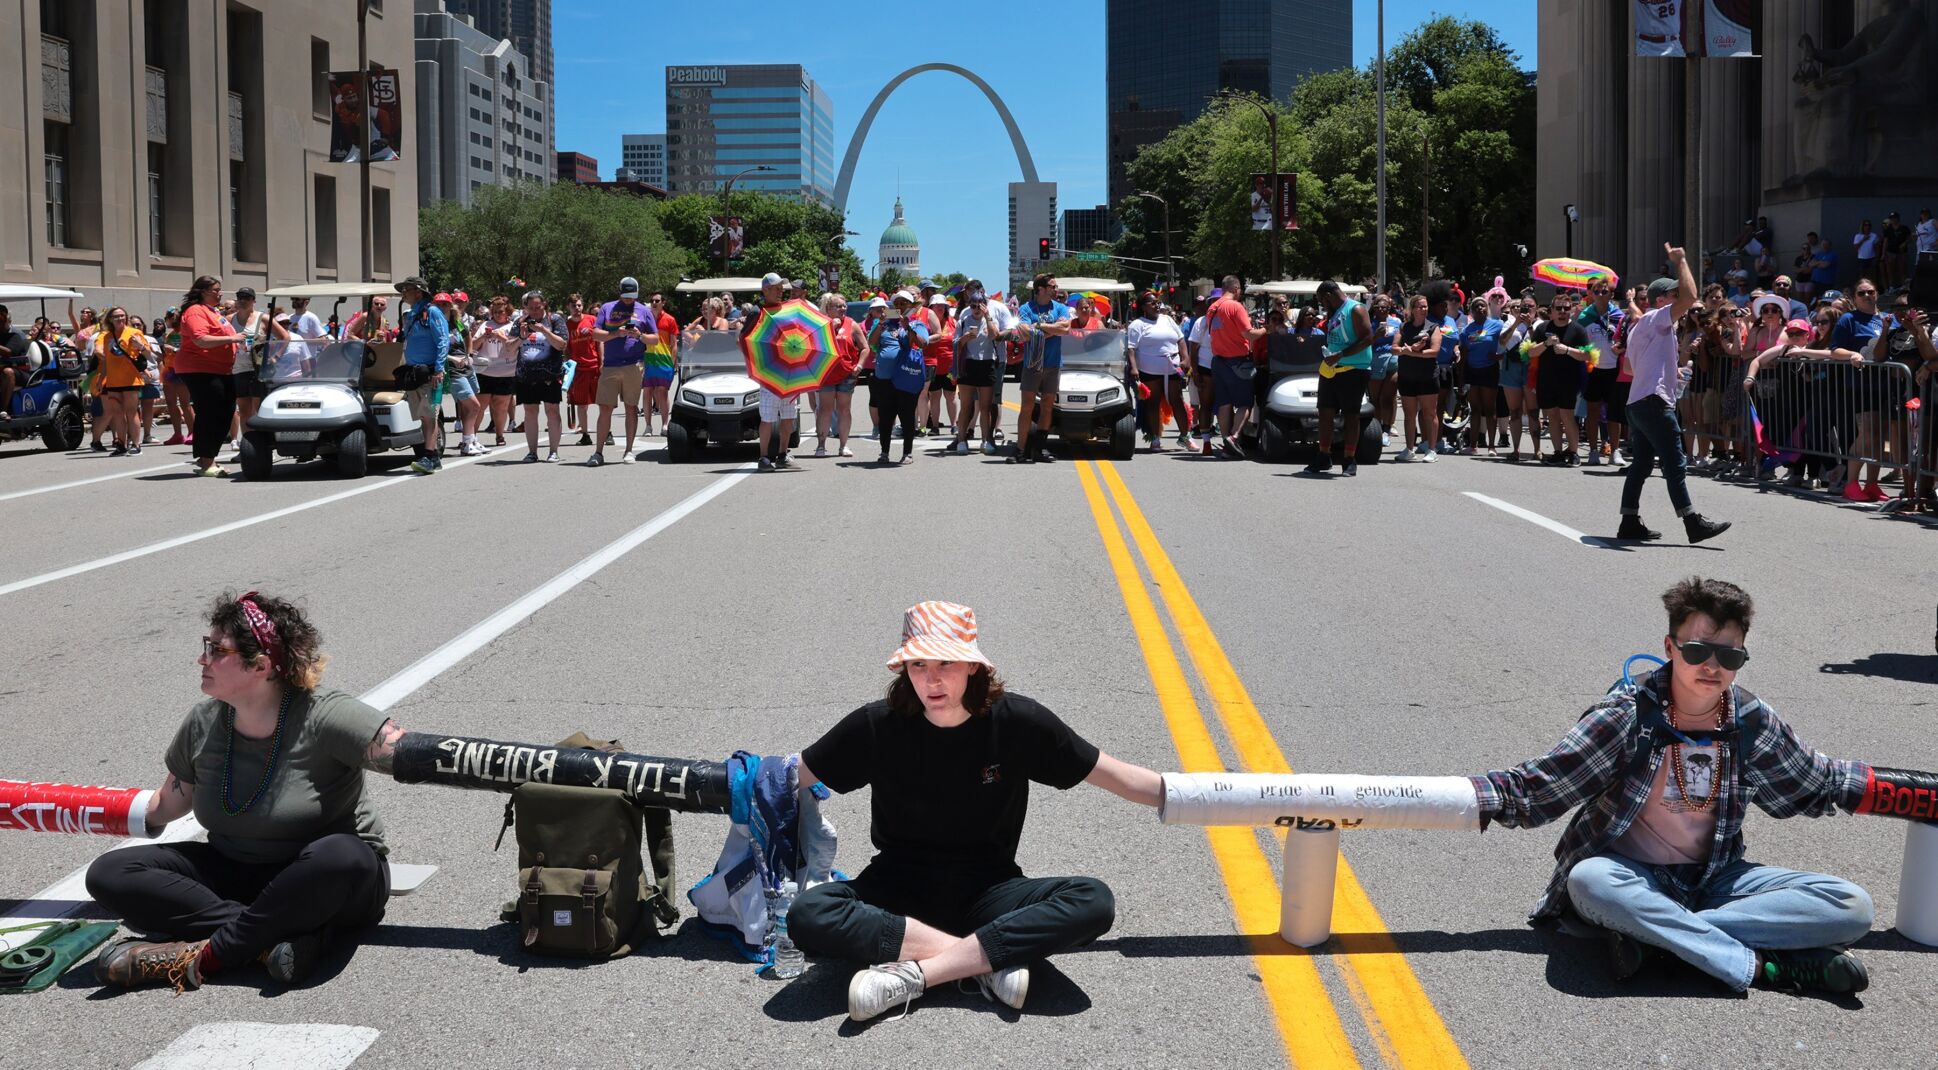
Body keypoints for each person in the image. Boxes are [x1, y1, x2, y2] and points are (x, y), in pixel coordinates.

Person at [1471, 578, 1874, 996]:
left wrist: (1909, 795)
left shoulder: (1751, 721)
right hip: (1631, 877)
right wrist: (1451, 799)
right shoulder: (1629, 713)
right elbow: (1539, 787)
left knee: (1851, 905)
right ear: (1670, 647)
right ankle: (1763, 966)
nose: (1712, 667)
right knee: (1589, 881)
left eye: (1729, 655)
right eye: (1697, 651)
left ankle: (1657, 941)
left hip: (1715, 880)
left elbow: (1816, 782)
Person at [789, 600, 1162, 1022]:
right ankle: (983, 961)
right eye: (918, 664)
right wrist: (732, 783)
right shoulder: (876, 726)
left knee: (1093, 902)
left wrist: (1207, 796)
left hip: (991, 889)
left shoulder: (1018, 722)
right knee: (808, 914)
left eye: (946, 663)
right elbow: (784, 777)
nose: (931, 679)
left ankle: (917, 974)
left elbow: (1118, 776)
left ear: (971, 665)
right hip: (897, 887)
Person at [86, 591, 403, 992]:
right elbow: (166, 804)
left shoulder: (326, 714)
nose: (202, 659)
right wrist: (67, 808)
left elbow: (408, 753)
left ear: (261, 665)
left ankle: (209, 954)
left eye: (216, 650)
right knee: (110, 873)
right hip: (238, 870)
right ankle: (272, 940)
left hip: (325, 878)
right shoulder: (203, 722)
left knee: (343, 854)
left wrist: (473, 761)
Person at [1616, 245, 1732, 544]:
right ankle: (1693, 522)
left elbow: (1629, 367)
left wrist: (1670, 372)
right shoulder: (1656, 318)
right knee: (1675, 462)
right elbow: (1692, 297)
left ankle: (1629, 521)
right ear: (1660, 300)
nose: (1679, 299)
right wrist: (1681, 260)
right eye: (1673, 294)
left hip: (1638, 403)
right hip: (1653, 403)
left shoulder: (1640, 327)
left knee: (1642, 465)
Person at [175, 276, 248, 477]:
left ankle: (205, 456)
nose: (220, 293)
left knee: (225, 411)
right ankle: (207, 462)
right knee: (211, 413)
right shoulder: (195, 311)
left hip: (220, 369)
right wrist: (232, 338)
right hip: (199, 368)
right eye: (216, 290)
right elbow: (200, 339)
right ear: (203, 291)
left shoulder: (213, 311)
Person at [1307, 281, 1373, 476]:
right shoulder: (1334, 312)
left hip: (1354, 369)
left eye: (1322, 301)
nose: (1322, 305)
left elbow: (1367, 338)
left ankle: (1349, 459)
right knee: (1325, 412)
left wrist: (1341, 355)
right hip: (1331, 368)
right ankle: (1323, 456)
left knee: (1351, 415)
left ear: (1329, 295)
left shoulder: (1356, 309)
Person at [589, 276, 655, 467]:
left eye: (632, 296)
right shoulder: (607, 308)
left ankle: (629, 451)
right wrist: (616, 333)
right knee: (605, 408)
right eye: (626, 295)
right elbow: (596, 334)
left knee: (631, 407)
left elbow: (655, 339)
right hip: (610, 365)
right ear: (619, 292)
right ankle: (598, 452)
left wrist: (640, 335)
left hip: (633, 364)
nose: (628, 299)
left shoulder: (644, 310)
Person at [1012, 274, 1073, 465]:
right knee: (1027, 406)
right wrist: (1052, 329)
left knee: (1047, 405)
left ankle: (1039, 448)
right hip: (1032, 364)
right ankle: (1020, 450)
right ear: (1040, 289)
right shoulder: (1026, 308)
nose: (1056, 289)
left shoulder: (1060, 307)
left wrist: (1038, 326)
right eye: (1052, 286)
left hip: (1053, 364)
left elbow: (1066, 329)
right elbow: (1024, 333)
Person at [745, 273, 799, 472]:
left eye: (781, 289)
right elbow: (743, 340)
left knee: (788, 415)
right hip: (769, 374)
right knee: (767, 417)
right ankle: (764, 457)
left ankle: (783, 455)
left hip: (789, 371)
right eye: (776, 288)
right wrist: (756, 365)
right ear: (765, 290)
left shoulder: (787, 309)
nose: (780, 292)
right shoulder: (756, 312)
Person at [1206, 277, 1265, 459]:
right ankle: (1233, 437)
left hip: (1218, 361)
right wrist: (1266, 329)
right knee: (1245, 403)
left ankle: (1226, 444)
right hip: (1237, 361)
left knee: (1224, 403)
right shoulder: (1235, 306)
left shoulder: (1212, 308)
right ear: (1235, 288)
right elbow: (1249, 334)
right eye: (1240, 289)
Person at [394, 277, 449, 475]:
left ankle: (429, 456)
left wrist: (439, 369)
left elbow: (443, 341)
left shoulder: (432, 312)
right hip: (414, 372)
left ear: (419, 292)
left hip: (430, 372)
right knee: (424, 417)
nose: (403, 293)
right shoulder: (412, 314)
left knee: (429, 415)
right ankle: (432, 457)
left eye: (407, 289)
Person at [870, 290, 929, 466]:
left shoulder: (917, 324)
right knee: (885, 417)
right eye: (897, 303)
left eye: (904, 303)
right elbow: (872, 342)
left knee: (907, 417)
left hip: (906, 379)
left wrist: (907, 327)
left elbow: (922, 343)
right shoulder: (884, 324)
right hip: (884, 378)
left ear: (910, 306)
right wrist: (880, 324)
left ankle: (907, 453)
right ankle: (884, 452)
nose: (900, 306)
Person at [1531, 294, 1589, 466]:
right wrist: (1546, 344)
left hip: (1569, 380)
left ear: (1570, 309)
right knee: (1553, 416)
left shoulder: (1578, 330)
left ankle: (1573, 452)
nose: (1562, 311)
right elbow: (1530, 352)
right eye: (1559, 308)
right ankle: (1557, 452)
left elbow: (1587, 355)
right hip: (1546, 379)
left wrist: (1567, 350)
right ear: (1552, 310)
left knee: (1567, 415)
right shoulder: (1542, 328)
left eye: (1566, 308)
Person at [1125, 290, 1187, 452]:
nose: (1157, 305)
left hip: (1172, 368)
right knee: (1152, 404)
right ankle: (1155, 439)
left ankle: (1185, 436)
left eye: (1158, 302)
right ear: (1143, 307)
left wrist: (1185, 358)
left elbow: (1180, 339)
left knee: (1177, 400)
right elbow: (1131, 349)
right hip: (1149, 370)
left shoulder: (1167, 319)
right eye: (1153, 303)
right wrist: (1134, 368)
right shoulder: (1137, 325)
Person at [512, 291, 568, 463]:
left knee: (552, 411)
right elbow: (508, 347)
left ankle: (553, 451)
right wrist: (521, 337)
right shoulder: (520, 322)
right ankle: (532, 452)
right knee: (530, 412)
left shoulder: (554, 320)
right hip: (526, 375)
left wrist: (544, 330)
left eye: (537, 307)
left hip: (550, 375)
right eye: (531, 308)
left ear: (544, 304)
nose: (534, 311)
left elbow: (562, 344)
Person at [91, 308, 151, 457]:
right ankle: (121, 445)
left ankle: (136, 445)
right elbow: (106, 361)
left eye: (122, 316)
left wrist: (140, 345)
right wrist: (101, 379)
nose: (120, 319)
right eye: (116, 316)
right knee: (117, 414)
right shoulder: (106, 336)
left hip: (131, 379)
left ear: (126, 317)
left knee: (131, 412)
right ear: (110, 319)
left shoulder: (134, 332)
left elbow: (148, 354)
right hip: (113, 381)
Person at [814, 293, 867, 458]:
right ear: (828, 308)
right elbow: (813, 344)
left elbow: (865, 348)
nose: (842, 309)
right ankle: (821, 446)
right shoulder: (820, 323)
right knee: (825, 409)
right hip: (826, 373)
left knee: (844, 409)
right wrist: (830, 327)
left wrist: (860, 365)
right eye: (838, 306)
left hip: (847, 373)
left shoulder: (852, 324)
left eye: (844, 306)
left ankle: (844, 445)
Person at [1392, 295, 1442, 462]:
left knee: (1430, 413)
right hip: (1407, 376)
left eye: (1425, 306)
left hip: (1427, 376)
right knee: (1409, 414)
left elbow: (1434, 351)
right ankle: (1409, 449)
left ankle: (1432, 450)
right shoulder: (1403, 327)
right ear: (1412, 309)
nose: (1424, 309)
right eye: (1420, 306)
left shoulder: (1433, 327)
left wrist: (1413, 352)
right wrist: (1405, 350)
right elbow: (1394, 348)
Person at [1454, 297, 1505, 457]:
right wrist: (1461, 380)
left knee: (1490, 409)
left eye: (1482, 305)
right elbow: (1463, 354)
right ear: (1471, 311)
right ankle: (1473, 446)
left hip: (1489, 370)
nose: (1480, 308)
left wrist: (1500, 356)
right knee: (1475, 409)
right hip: (1472, 371)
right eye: (1476, 307)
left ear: (1487, 308)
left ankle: (1491, 446)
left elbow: (1507, 343)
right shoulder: (1467, 330)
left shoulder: (1497, 325)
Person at [469, 296, 521, 451]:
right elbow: (473, 346)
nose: (498, 314)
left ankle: (500, 435)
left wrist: (500, 336)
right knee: (479, 406)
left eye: (501, 312)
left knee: (501, 407)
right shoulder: (485, 325)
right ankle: (471, 436)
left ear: (508, 312)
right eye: (495, 312)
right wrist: (483, 337)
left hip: (506, 372)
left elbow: (514, 347)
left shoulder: (513, 326)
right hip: (485, 371)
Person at [226, 288, 269, 461]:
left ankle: (263, 448)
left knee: (257, 410)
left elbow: (284, 337)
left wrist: (274, 357)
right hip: (238, 369)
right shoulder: (230, 319)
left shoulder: (263, 318)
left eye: (247, 298)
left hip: (257, 369)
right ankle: (247, 448)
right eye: (240, 297)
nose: (243, 300)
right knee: (244, 411)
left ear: (254, 300)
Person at [565, 294, 604, 446]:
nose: (577, 308)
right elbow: (566, 348)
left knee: (603, 402)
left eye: (579, 305)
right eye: (574, 306)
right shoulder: (567, 325)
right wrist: (568, 367)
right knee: (581, 404)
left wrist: (602, 361)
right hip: (579, 369)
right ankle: (585, 435)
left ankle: (607, 432)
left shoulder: (591, 320)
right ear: (568, 307)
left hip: (594, 366)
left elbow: (599, 342)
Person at [642, 292, 680, 437]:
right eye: (652, 300)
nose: (654, 303)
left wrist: (673, 362)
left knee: (662, 392)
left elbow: (674, 344)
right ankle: (648, 426)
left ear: (663, 302)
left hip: (664, 361)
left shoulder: (670, 319)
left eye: (657, 300)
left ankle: (665, 424)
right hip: (649, 360)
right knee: (647, 392)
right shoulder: (646, 319)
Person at [1365, 294, 1401, 445]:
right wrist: (1376, 335)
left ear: (1389, 307)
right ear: (1374, 308)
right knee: (1375, 399)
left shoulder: (1396, 322)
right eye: (1378, 306)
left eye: (1385, 306)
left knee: (1388, 397)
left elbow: (1400, 339)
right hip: (1375, 359)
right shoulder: (1368, 323)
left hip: (1392, 359)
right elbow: (1365, 343)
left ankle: (1387, 429)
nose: (1381, 309)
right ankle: (1376, 428)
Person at [921, 294, 957, 436]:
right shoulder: (926, 322)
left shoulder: (952, 321)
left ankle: (954, 425)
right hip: (932, 365)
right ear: (931, 307)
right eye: (937, 305)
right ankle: (935, 426)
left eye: (943, 305)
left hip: (950, 366)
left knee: (951, 396)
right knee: (934, 396)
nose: (940, 308)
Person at [0, 306, 30, 423]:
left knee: (7, 372)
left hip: (19, 371)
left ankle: (3, 410)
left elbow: (9, 352)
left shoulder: (15, 335)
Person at [1880, 211, 1912, 290]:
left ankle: (1904, 287)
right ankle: (1891, 287)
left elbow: (1910, 238)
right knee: (1890, 270)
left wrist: (1905, 243)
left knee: (1902, 269)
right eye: (1891, 218)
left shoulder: (1904, 228)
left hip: (1902, 252)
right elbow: (1885, 241)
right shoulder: (1888, 229)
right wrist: (1883, 254)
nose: (1893, 220)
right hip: (1890, 252)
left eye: (1894, 218)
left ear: (1898, 218)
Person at [1852, 220, 1879, 284]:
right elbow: (1855, 247)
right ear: (1862, 226)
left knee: (1872, 275)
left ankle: (1872, 288)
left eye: (1869, 225)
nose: (1867, 227)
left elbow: (1877, 247)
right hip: (1861, 258)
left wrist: (1877, 257)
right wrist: (1863, 239)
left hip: (1871, 258)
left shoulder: (1874, 235)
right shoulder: (1858, 236)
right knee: (1862, 276)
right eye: (1865, 225)